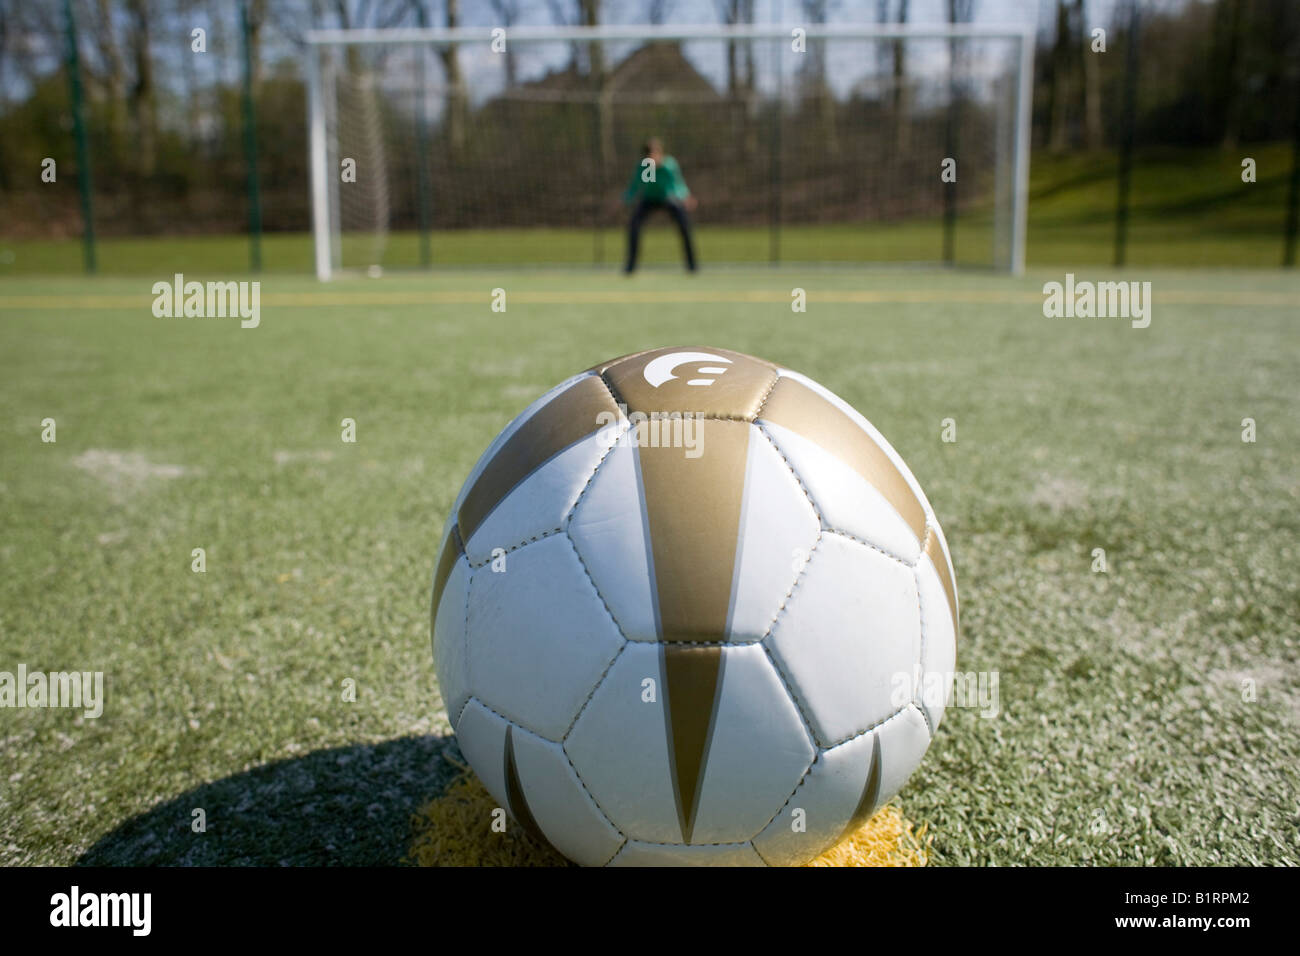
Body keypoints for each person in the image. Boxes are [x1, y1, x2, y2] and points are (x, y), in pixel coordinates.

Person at [622, 137, 698, 274]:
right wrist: (626, 199)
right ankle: (630, 266)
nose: (653, 156)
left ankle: (692, 265)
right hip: (649, 199)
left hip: (667, 198)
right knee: (634, 225)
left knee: (684, 225)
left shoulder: (669, 165)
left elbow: (678, 184)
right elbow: (635, 185)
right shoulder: (644, 166)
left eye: (656, 152)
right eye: (650, 153)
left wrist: (685, 197)